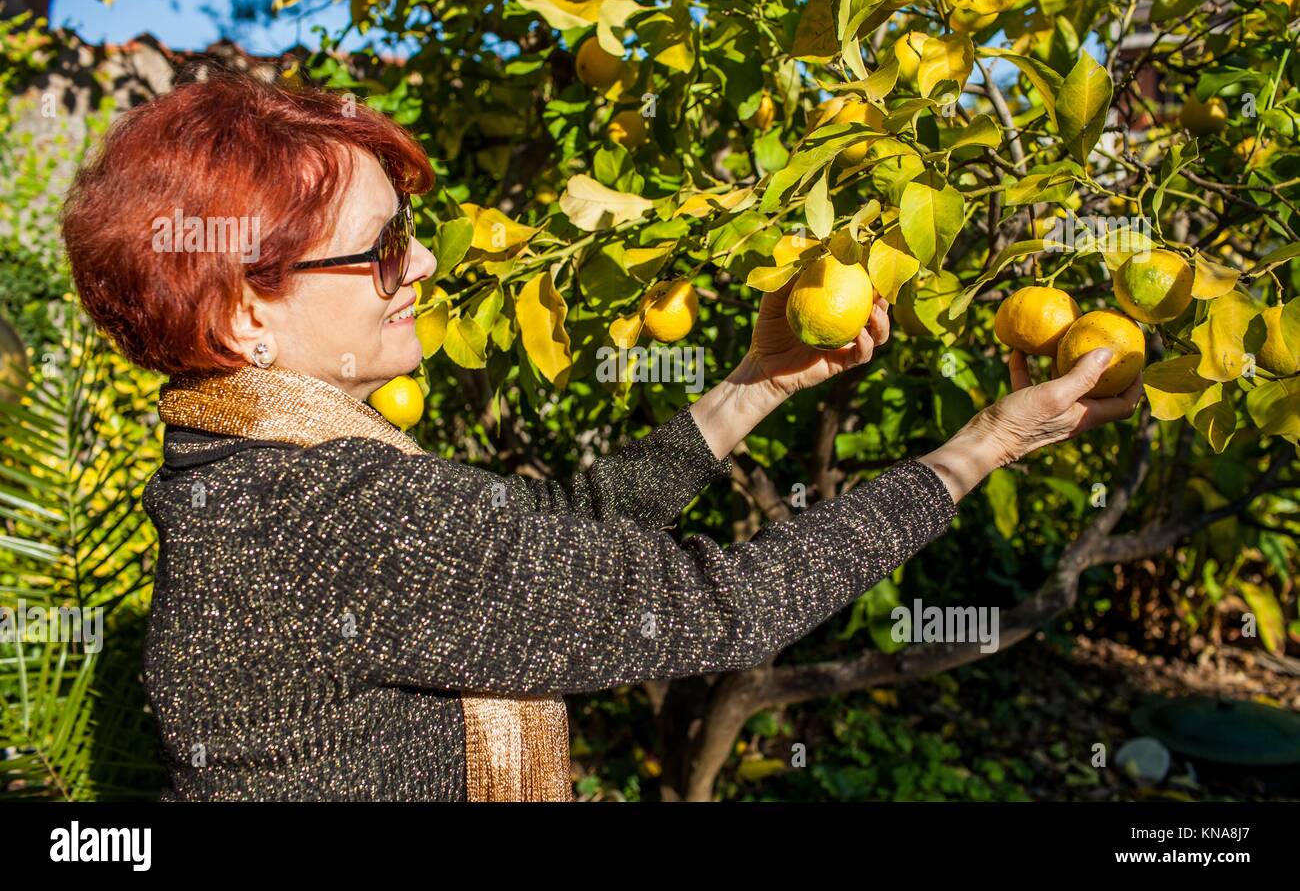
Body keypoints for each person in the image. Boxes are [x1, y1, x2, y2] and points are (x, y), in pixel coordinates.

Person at [60, 71, 1141, 801]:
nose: (424, 266)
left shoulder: (247, 463)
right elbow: (722, 603)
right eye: (380, 251)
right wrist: (976, 449)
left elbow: (547, 536)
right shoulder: (336, 511)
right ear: (246, 312)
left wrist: (753, 386)